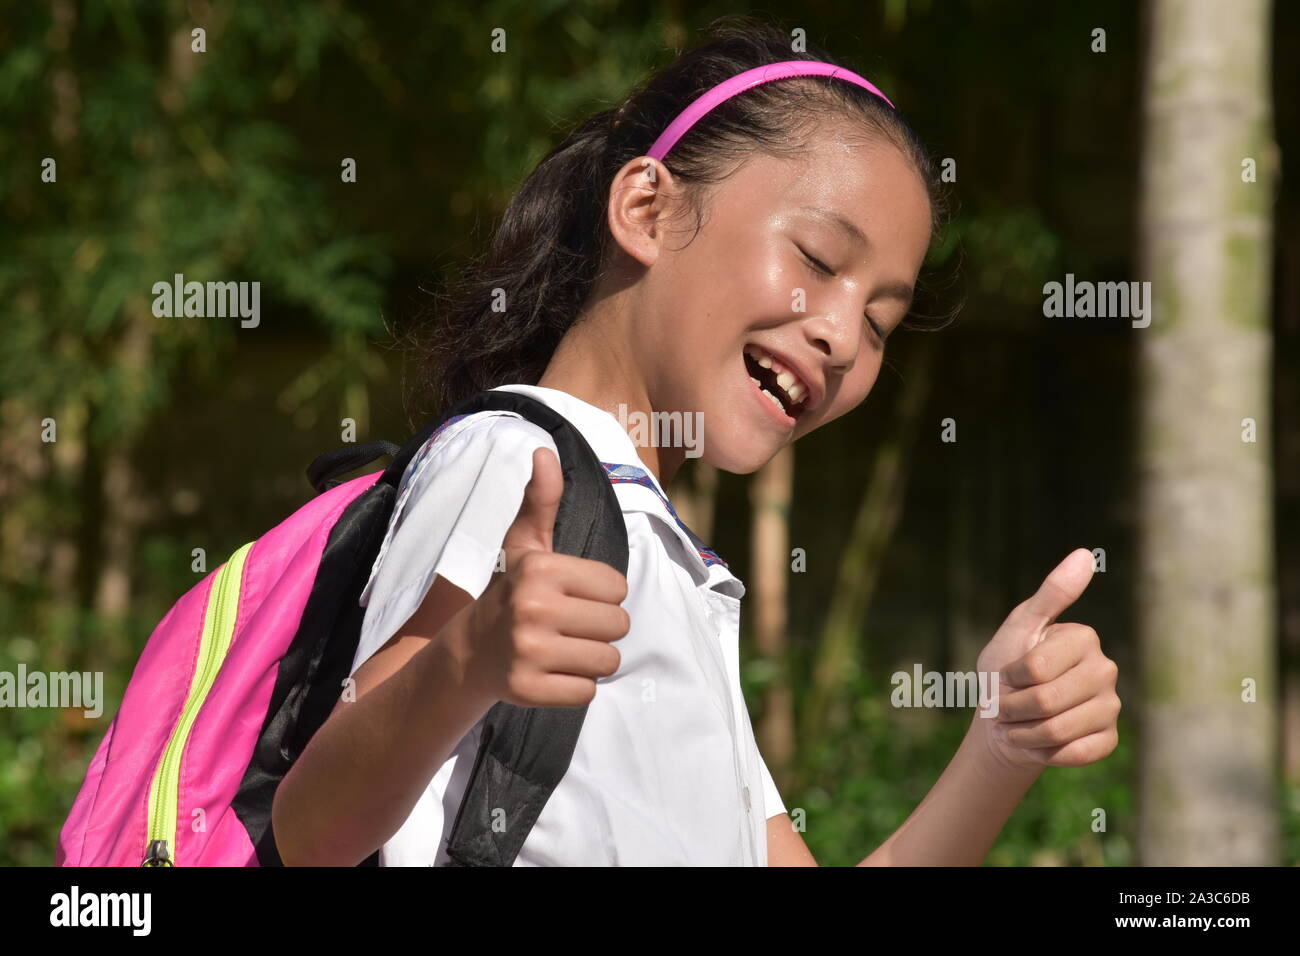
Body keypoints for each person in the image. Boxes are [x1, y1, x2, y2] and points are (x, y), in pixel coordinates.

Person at [273, 17, 1121, 867]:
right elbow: (313, 832)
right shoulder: (518, 461)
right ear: (646, 209)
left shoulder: (676, 571)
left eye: (879, 320)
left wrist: (1003, 746)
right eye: (820, 260)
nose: (840, 335)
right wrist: (466, 661)